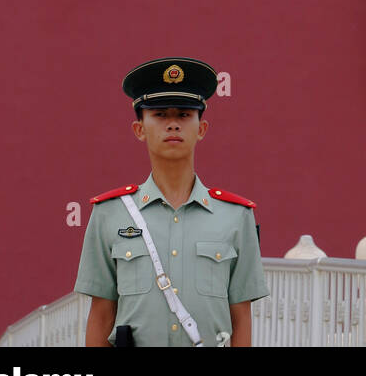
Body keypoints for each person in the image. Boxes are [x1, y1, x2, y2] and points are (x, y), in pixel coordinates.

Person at [75, 57, 269, 347]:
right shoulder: (110, 214)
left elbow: (240, 318)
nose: (173, 125)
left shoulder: (235, 216)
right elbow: (101, 315)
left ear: (201, 129)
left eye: (184, 115)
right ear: (139, 129)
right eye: (160, 115)